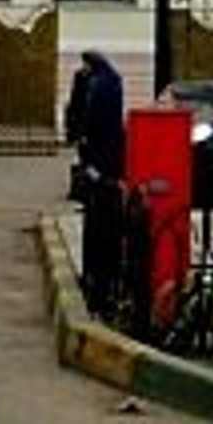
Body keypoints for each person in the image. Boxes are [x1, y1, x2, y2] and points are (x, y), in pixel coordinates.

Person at [66, 49, 126, 310]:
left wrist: (80, 135)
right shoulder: (109, 81)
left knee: (99, 221)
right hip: (106, 162)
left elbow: (86, 118)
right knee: (100, 218)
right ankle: (100, 283)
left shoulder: (98, 85)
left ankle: (98, 284)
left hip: (100, 162)